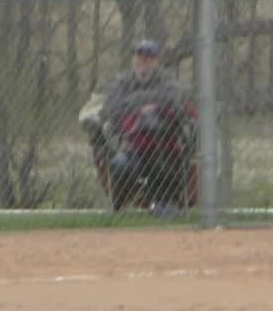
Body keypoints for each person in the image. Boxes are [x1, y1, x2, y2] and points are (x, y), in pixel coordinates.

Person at [83, 39, 195, 215]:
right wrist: (148, 103)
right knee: (121, 164)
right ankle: (121, 206)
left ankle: (164, 203)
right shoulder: (122, 81)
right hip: (129, 143)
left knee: (166, 161)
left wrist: (135, 102)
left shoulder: (167, 80)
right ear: (134, 59)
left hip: (162, 142)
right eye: (140, 56)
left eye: (149, 57)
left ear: (156, 61)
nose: (144, 61)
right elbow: (113, 107)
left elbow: (174, 100)